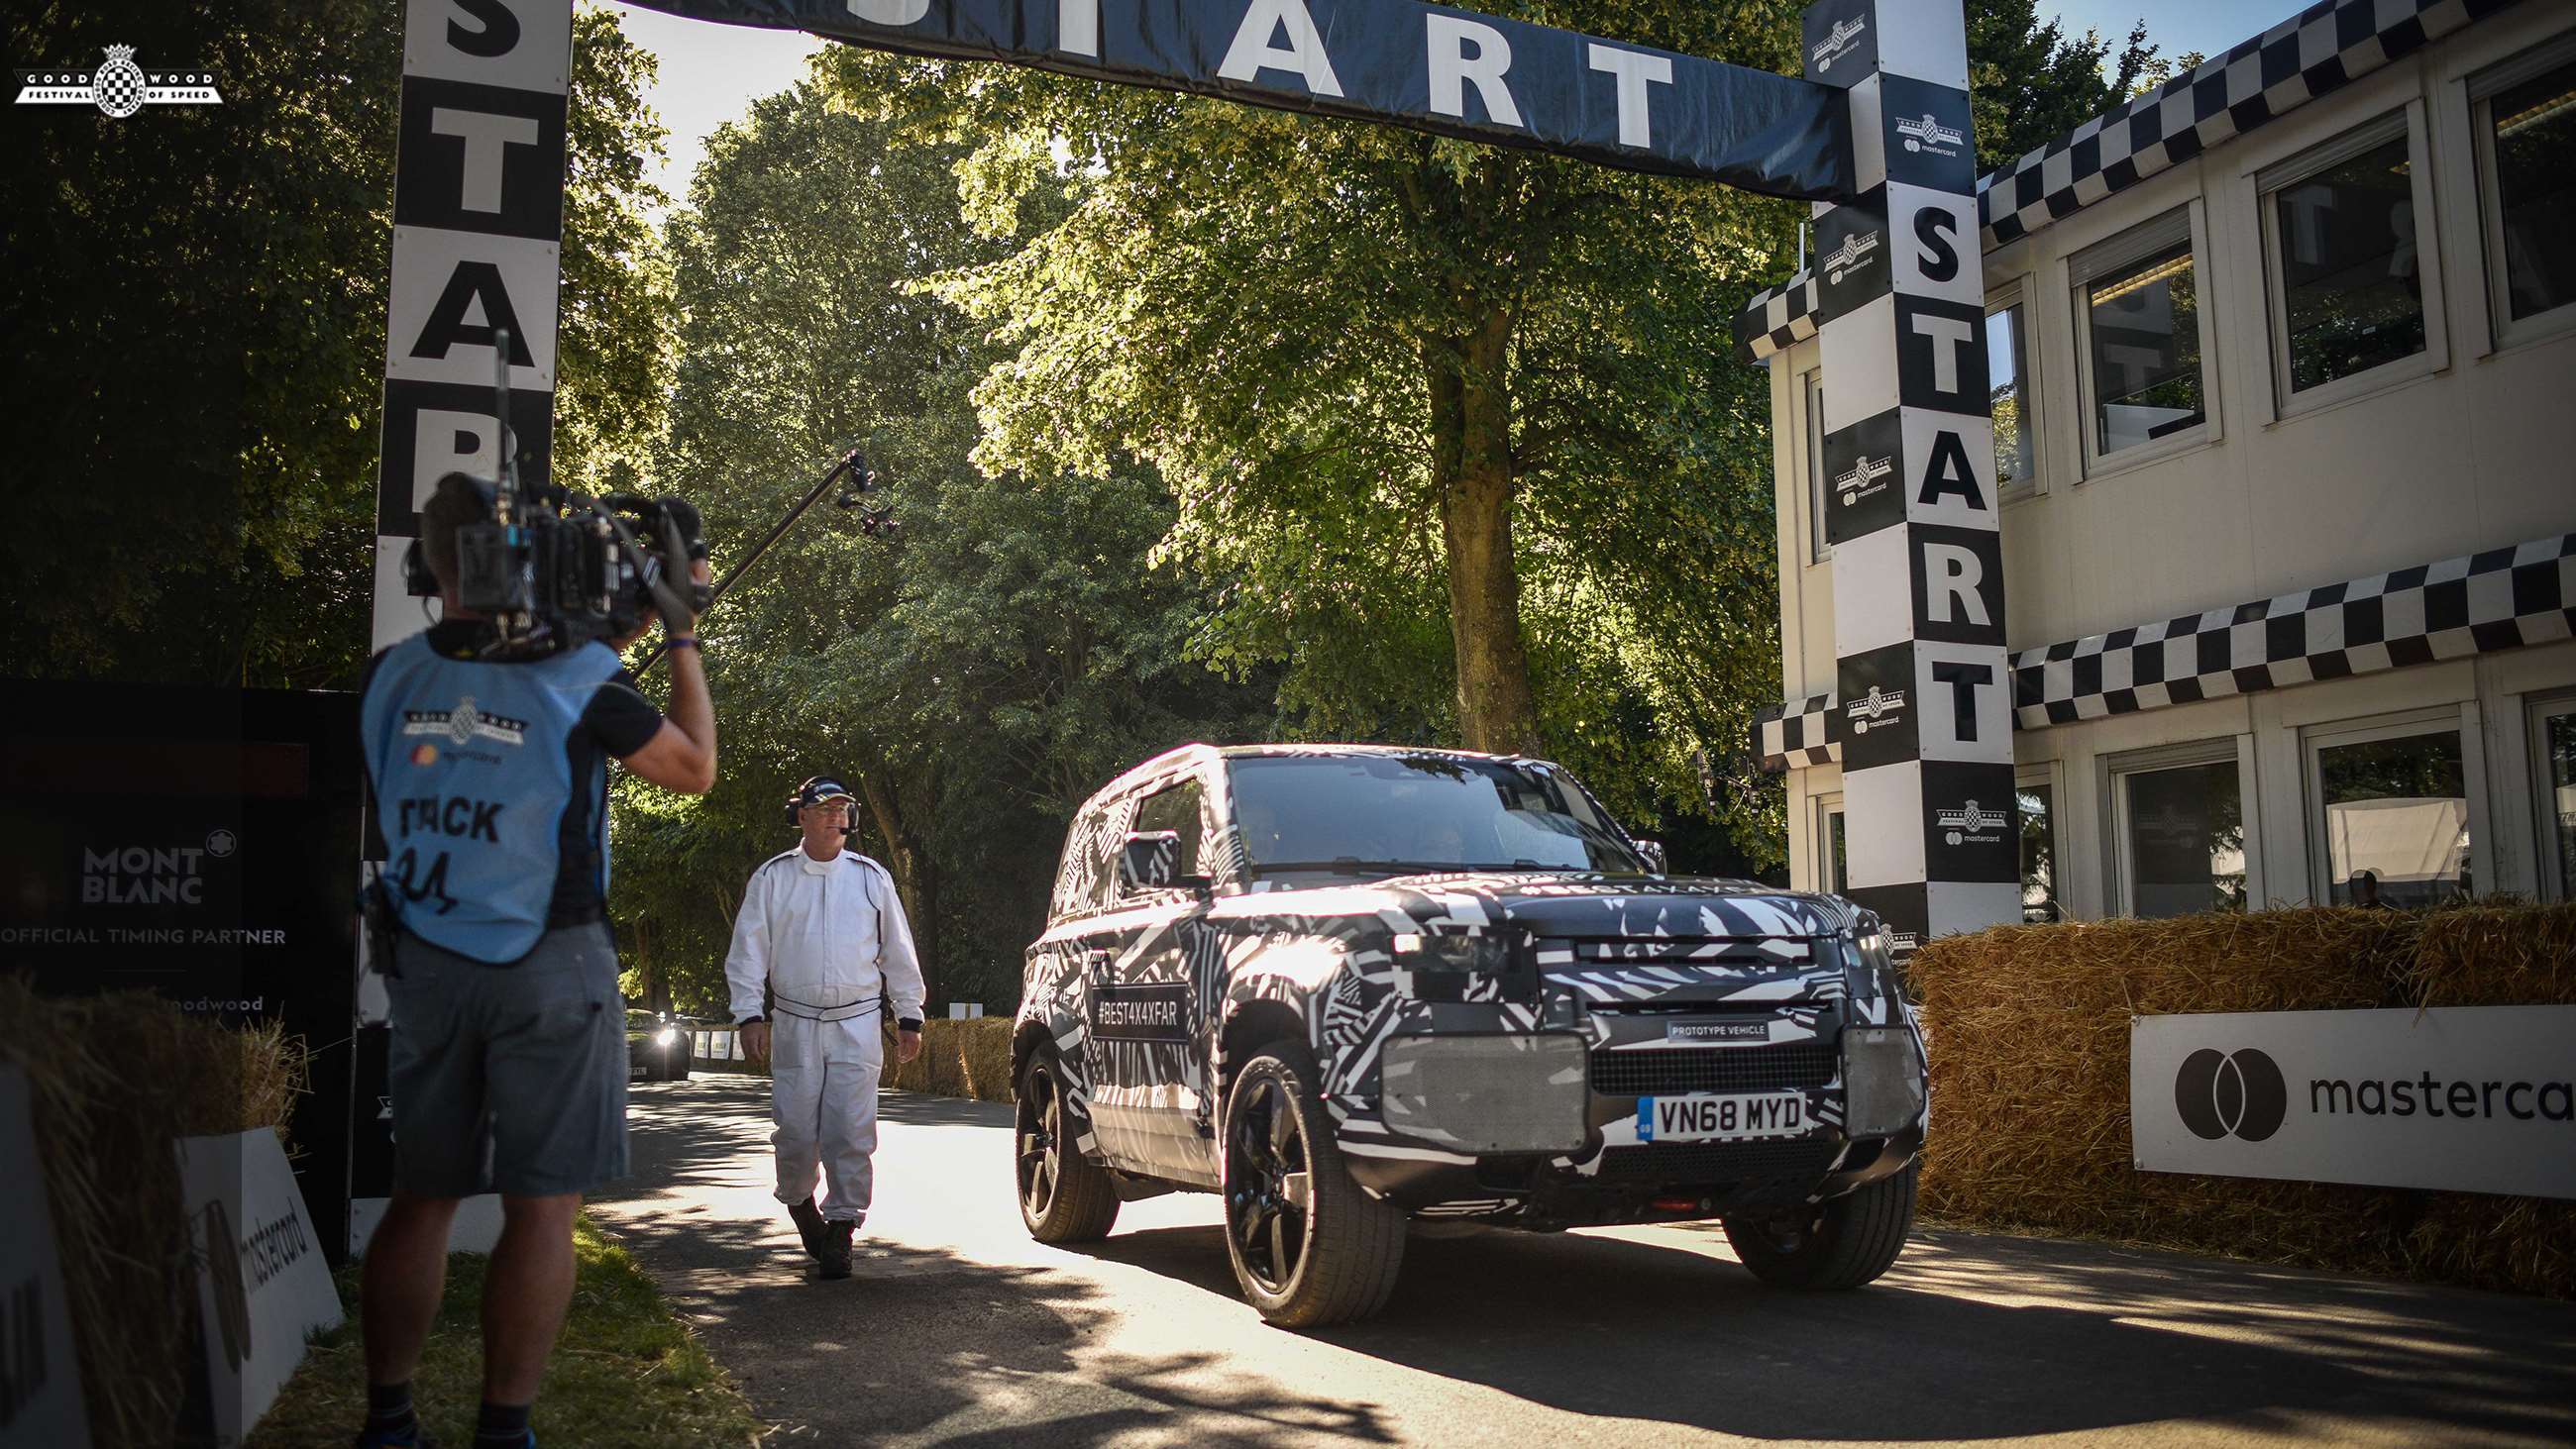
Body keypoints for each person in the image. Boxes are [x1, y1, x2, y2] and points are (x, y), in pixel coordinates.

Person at [353, 476, 716, 1449]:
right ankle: (502, 1430)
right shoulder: (574, 677)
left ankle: (387, 1418)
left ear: (431, 564)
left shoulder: (391, 674)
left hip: (424, 961)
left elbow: (533, 685)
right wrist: (679, 633)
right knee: (543, 1204)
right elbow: (690, 766)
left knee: (420, 1195)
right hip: (548, 961)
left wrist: (624, 635)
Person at [726, 776, 926, 1280]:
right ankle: (801, 1206)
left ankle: (841, 1229)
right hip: (793, 1023)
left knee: (850, 1132)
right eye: (824, 809)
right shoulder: (772, 879)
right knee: (794, 1132)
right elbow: (749, 954)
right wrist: (749, 1014)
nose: (836, 818)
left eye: (843, 810)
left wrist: (909, 1015)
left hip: (857, 1022)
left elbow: (898, 951)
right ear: (801, 816)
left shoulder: (871, 877)